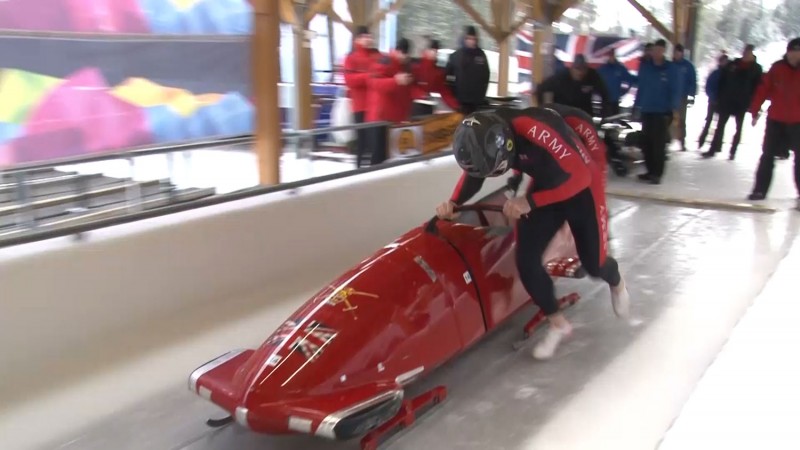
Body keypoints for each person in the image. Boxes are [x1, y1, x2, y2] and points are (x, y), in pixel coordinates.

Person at [435, 107, 631, 360]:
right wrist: (453, 202)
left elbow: (581, 176)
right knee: (526, 260)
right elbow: (475, 175)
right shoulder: (486, 135)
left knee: (595, 264)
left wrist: (531, 202)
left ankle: (617, 283)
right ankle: (559, 324)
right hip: (546, 186)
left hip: (581, 188)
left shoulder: (534, 129)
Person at [746, 38, 800, 208]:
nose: (793, 56)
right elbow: (763, 89)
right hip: (776, 120)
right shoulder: (777, 68)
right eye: (791, 52)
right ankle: (759, 190)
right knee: (767, 156)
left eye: (797, 53)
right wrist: (755, 110)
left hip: (797, 122)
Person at [366, 38, 430, 165]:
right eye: (402, 53)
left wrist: (421, 94)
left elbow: (409, 87)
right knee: (379, 154)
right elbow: (375, 83)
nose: (404, 57)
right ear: (396, 51)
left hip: (398, 118)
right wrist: (395, 81)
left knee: (393, 154)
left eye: (406, 54)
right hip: (382, 117)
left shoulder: (407, 66)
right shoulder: (385, 61)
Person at [703, 44, 763, 160]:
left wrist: (754, 105)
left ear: (752, 54)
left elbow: (757, 87)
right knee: (720, 126)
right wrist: (718, 97)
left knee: (738, 128)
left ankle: (732, 152)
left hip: (742, 102)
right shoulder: (733, 64)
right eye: (745, 51)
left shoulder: (756, 69)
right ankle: (712, 149)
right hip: (727, 100)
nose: (745, 54)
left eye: (748, 52)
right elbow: (722, 80)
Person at [633, 39, 680, 184]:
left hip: (662, 112)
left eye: (659, 50)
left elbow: (675, 90)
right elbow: (640, 87)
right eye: (654, 50)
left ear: (664, 51)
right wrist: (637, 105)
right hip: (647, 110)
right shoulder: (646, 67)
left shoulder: (670, 69)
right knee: (646, 142)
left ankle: (657, 174)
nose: (656, 53)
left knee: (658, 144)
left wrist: (674, 109)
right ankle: (649, 170)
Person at [343, 26, 381, 167]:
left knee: (374, 143)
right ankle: (359, 171)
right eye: (365, 36)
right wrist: (368, 76)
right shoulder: (351, 58)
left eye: (369, 36)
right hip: (360, 106)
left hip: (376, 106)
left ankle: (372, 171)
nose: (368, 39)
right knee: (361, 142)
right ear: (357, 39)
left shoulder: (377, 56)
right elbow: (349, 80)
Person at [535, 55, 611, 117]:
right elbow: (541, 89)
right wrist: (544, 110)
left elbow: (604, 93)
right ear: (572, 69)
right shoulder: (561, 77)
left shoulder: (592, 75)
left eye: (583, 69)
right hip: (564, 115)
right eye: (577, 69)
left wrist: (603, 114)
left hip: (584, 115)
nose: (580, 73)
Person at [445, 26, 491, 114]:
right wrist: (453, 95)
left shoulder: (481, 55)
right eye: (469, 39)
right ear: (464, 39)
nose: (471, 41)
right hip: (460, 101)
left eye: (473, 39)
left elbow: (486, 76)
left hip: (476, 101)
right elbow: (448, 77)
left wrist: (481, 95)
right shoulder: (456, 56)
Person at [697, 53, 729, 149]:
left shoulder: (727, 74)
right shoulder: (716, 73)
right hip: (714, 101)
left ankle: (716, 144)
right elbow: (709, 87)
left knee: (719, 124)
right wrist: (713, 97)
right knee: (709, 121)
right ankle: (702, 140)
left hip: (721, 102)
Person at [671, 44, 698, 151]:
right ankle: (668, 139)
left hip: (682, 96)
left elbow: (693, 81)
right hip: (671, 96)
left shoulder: (688, 66)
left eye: (679, 52)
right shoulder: (670, 65)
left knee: (681, 119)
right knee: (670, 118)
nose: (677, 54)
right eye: (676, 52)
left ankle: (682, 141)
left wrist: (692, 95)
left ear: (682, 53)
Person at [597, 50, 637, 116]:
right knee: (604, 122)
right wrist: (599, 92)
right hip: (605, 101)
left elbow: (629, 79)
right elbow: (596, 81)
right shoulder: (602, 69)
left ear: (615, 56)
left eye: (612, 55)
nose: (611, 57)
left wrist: (623, 92)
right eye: (610, 56)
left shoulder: (620, 68)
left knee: (615, 123)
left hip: (615, 101)